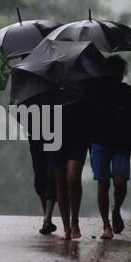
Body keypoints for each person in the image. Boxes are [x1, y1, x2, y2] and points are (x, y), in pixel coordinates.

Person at [89, 56, 131, 240]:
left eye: (119, 71)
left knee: (120, 182)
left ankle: (116, 209)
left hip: (121, 145)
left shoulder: (128, 94)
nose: (116, 74)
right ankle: (106, 225)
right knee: (103, 183)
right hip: (99, 143)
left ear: (122, 74)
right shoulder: (96, 91)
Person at [50, 98, 93, 241]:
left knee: (73, 177)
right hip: (54, 132)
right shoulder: (48, 83)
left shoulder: (80, 80)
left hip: (78, 134)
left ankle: (75, 221)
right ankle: (66, 227)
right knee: (60, 182)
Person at [29, 136, 57, 234]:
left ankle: (47, 217)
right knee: (40, 177)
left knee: (52, 173)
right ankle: (46, 217)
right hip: (36, 134)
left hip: (55, 132)